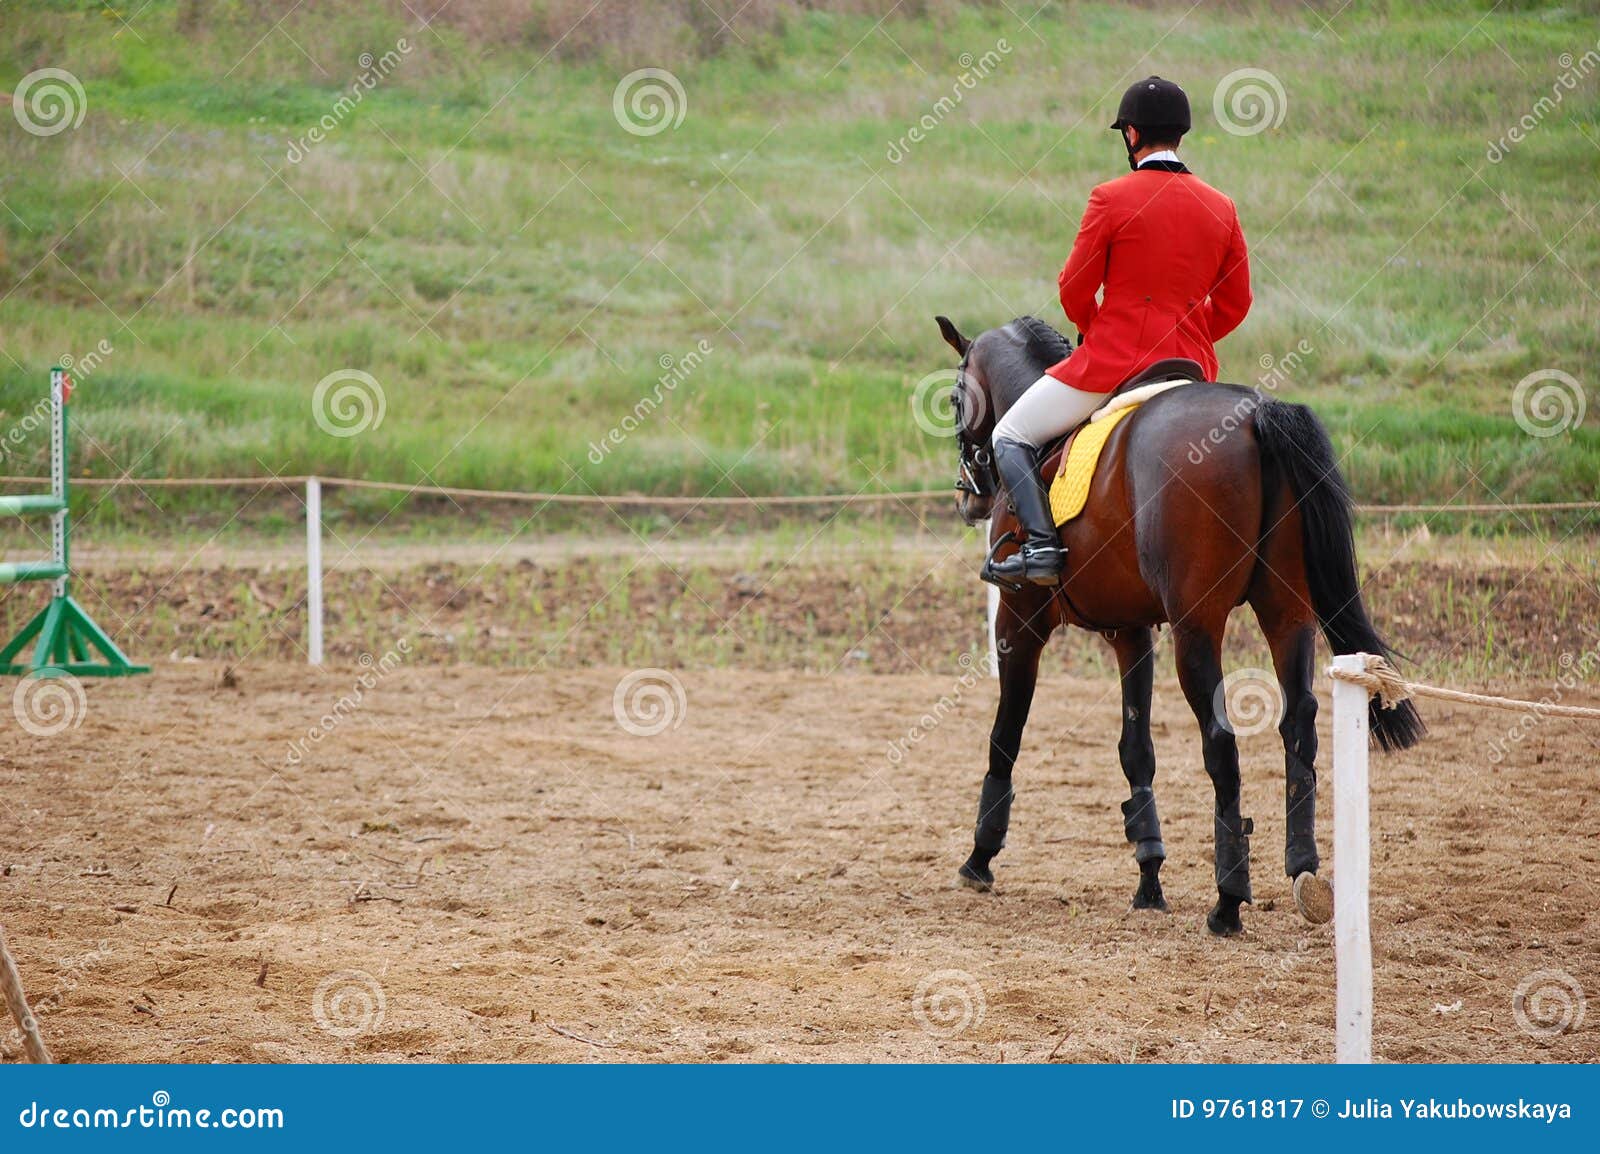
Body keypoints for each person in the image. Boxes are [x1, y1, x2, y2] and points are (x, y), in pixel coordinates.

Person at [985, 75, 1253, 586]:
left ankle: (1042, 548)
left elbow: (1073, 290)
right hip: (1189, 366)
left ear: (1131, 135)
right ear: (1181, 134)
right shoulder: (1221, 206)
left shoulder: (1110, 197)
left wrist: (1097, 331)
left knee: (1009, 434)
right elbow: (1238, 301)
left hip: (1112, 363)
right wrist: (1190, 330)